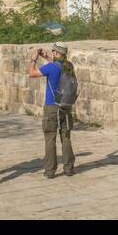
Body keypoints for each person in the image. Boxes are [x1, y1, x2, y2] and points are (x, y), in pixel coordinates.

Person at [29, 43, 75, 178]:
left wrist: (34, 59)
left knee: (50, 138)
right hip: (66, 106)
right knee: (66, 137)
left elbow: (32, 73)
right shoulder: (69, 66)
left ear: (56, 53)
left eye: (53, 51)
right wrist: (47, 57)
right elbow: (57, 66)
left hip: (51, 106)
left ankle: (50, 171)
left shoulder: (51, 67)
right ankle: (69, 168)